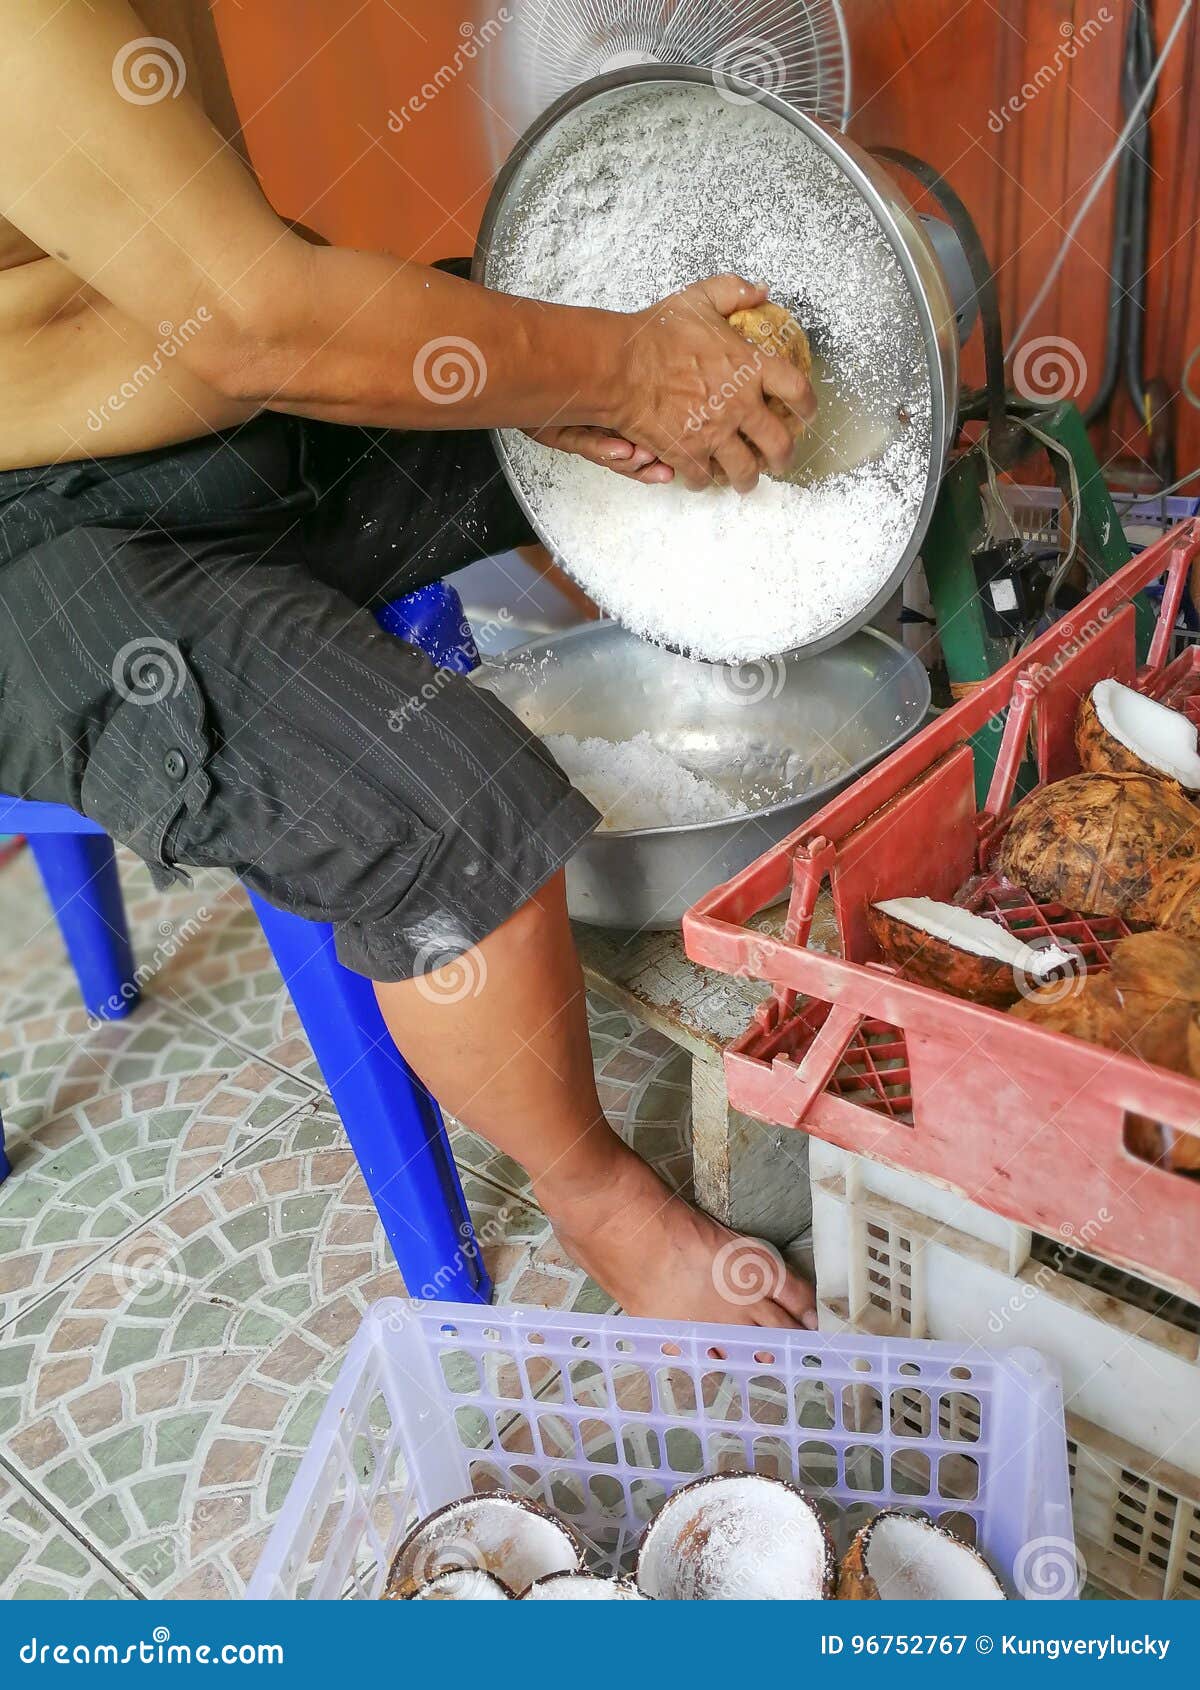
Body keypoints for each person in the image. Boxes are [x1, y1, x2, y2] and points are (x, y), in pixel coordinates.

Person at [0, 0, 818, 1328]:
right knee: (443, 807)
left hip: (223, 415)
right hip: (34, 539)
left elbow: (218, 281)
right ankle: (594, 1190)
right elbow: (253, 315)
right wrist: (618, 373)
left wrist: (607, 369)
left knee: (643, 387)